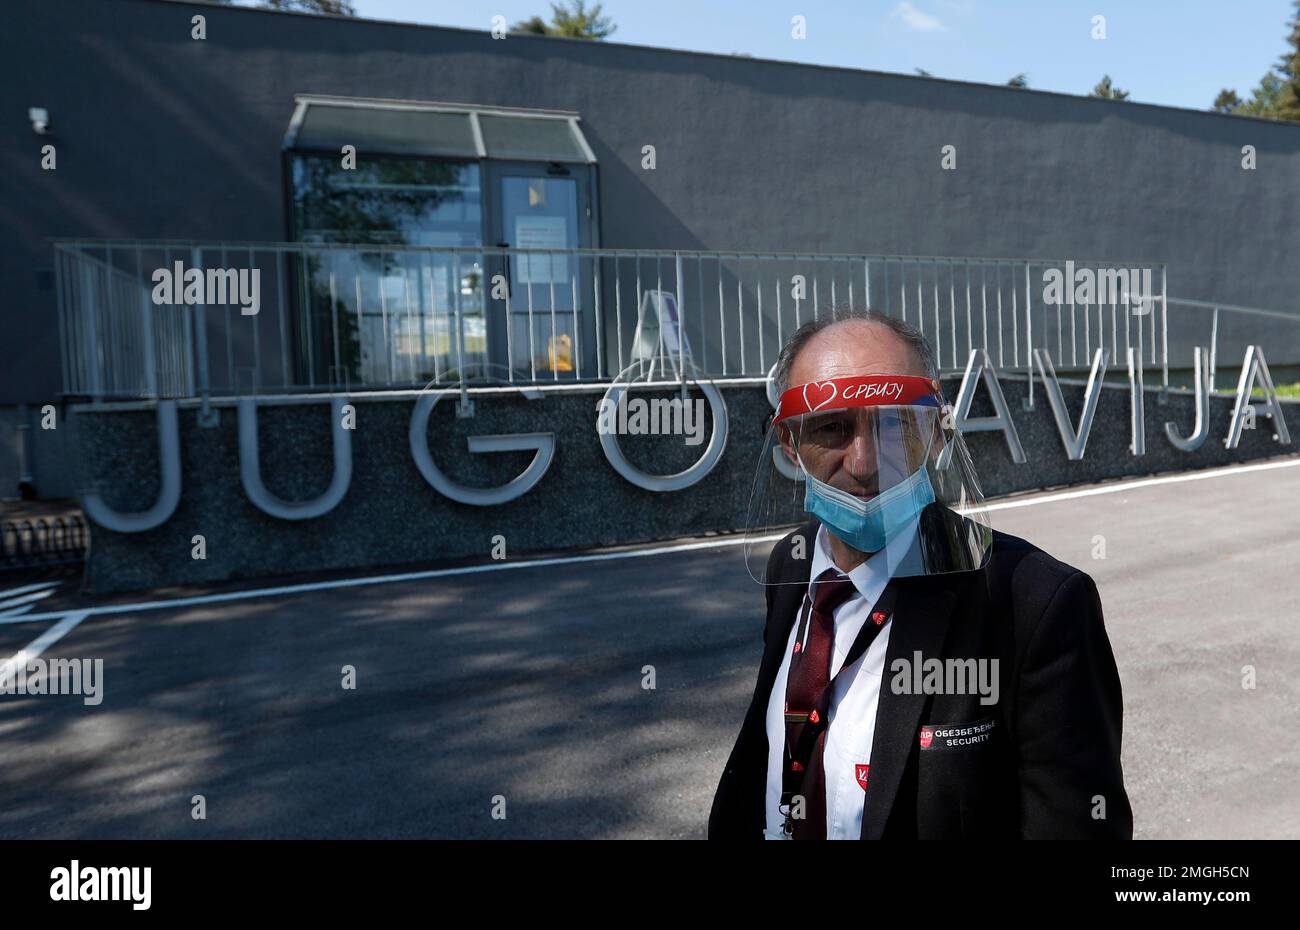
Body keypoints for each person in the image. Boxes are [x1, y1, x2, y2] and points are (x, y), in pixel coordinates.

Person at [708, 309, 1132, 839]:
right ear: (791, 445)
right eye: (832, 427)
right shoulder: (792, 564)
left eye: (893, 422)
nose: (864, 464)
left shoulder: (1035, 603)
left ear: (934, 431)